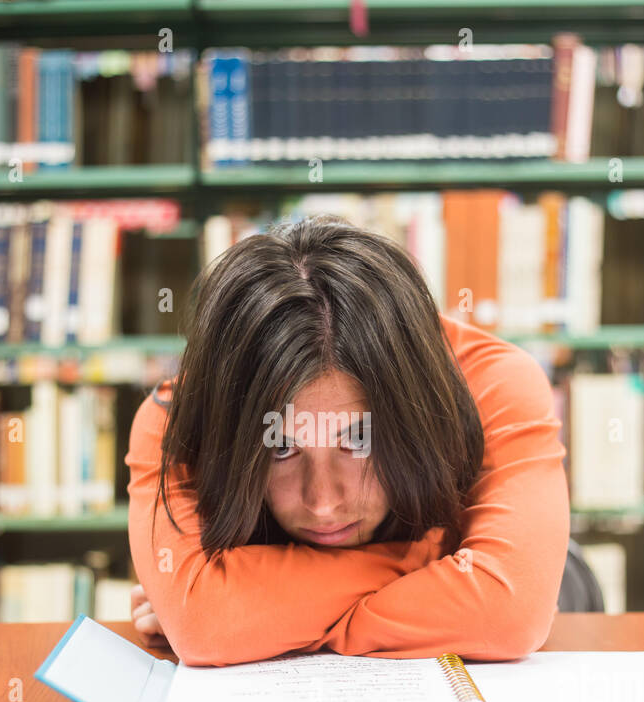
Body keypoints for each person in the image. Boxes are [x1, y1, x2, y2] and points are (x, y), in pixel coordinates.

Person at [126, 214, 569, 667]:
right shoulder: (175, 422)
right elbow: (205, 625)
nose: (322, 502)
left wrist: (264, 620)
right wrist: (436, 560)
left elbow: (508, 615)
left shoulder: (496, 384)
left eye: (357, 440)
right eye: (282, 448)